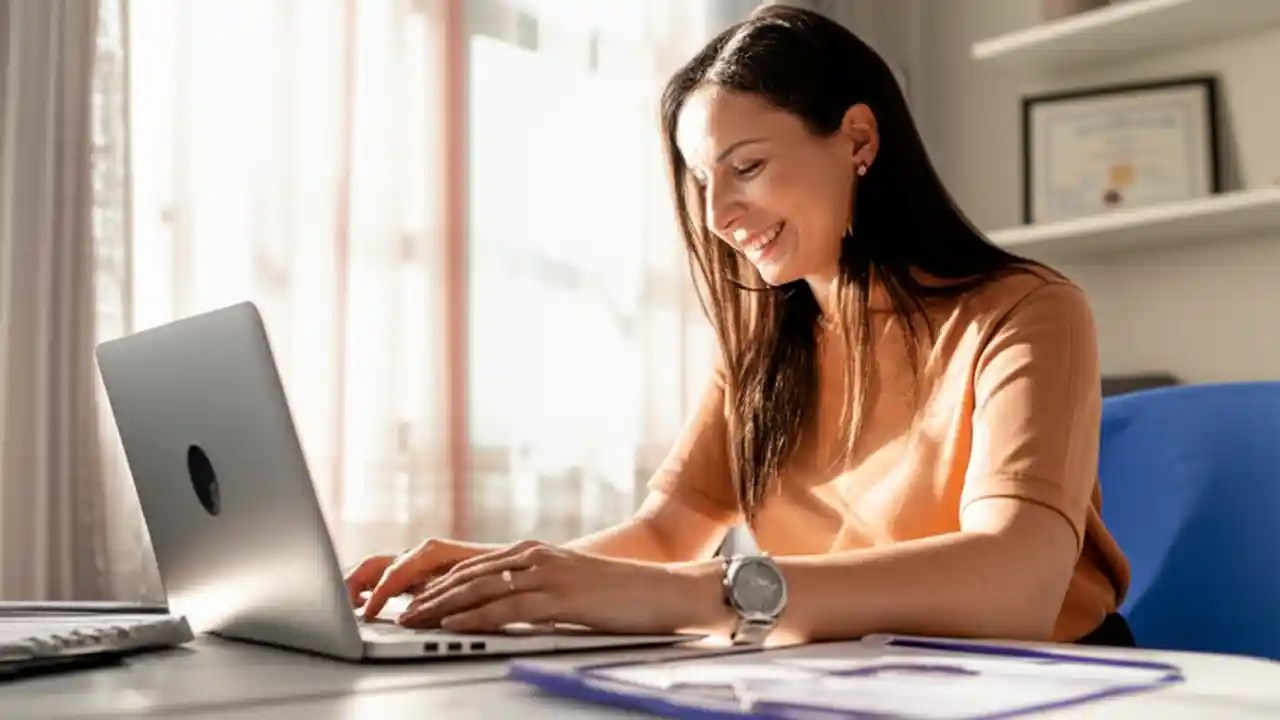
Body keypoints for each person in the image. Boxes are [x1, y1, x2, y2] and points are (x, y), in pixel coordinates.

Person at [344, 4, 1132, 647]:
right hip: (849, 681)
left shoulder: (1026, 313)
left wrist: (705, 593)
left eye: (746, 167)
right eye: (701, 180)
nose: (718, 215)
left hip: (1043, 686)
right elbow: (663, 537)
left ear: (859, 139)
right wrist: (503, 576)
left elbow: (1015, 586)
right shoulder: (766, 344)